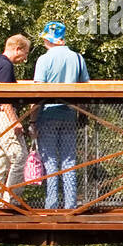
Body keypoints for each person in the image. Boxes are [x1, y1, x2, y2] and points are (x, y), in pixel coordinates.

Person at [31, 20, 90, 209]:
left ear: (49, 40)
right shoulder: (78, 58)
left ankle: (52, 204)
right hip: (70, 114)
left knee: (50, 161)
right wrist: (82, 112)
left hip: (47, 114)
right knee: (69, 161)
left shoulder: (44, 59)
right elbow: (84, 89)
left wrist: (32, 120)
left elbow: (38, 92)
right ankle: (70, 203)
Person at [0, 34, 32, 207]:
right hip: (3, 115)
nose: (25, 57)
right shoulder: (5, 66)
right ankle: (11, 200)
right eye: (25, 53)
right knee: (20, 156)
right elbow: (4, 97)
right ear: (17, 49)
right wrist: (15, 121)